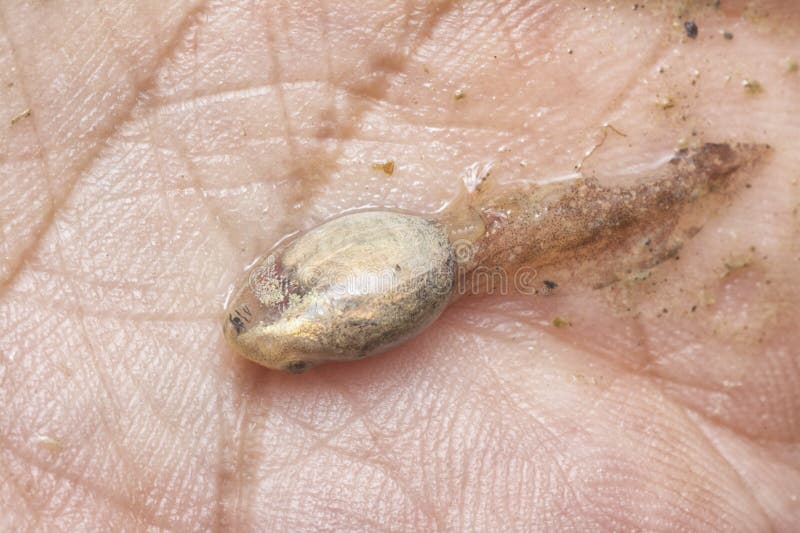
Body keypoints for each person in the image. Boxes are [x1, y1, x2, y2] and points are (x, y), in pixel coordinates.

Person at [1, 1, 797, 530]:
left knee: (576, 223)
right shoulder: (321, 295)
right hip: (447, 251)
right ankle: (699, 176)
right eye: (306, 358)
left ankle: (706, 174)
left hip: (451, 249)